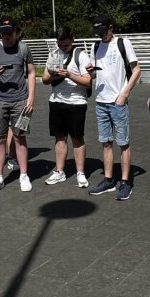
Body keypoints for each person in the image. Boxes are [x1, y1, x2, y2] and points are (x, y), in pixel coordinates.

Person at [86, 15, 141, 200]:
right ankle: (109, 180)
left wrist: (124, 94)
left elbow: (137, 69)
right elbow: (95, 75)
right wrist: (91, 72)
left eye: (104, 32)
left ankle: (125, 182)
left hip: (118, 101)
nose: (101, 36)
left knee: (123, 143)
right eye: (98, 33)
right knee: (106, 142)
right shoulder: (96, 46)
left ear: (111, 27)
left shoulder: (123, 43)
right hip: (100, 101)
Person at [0, 18, 35, 194]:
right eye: (3, 33)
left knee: (20, 137)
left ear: (15, 32)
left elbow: (32, 72)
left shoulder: (23, 48)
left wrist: (31, 98)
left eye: (9, 33)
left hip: (20, 99)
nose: (6, 36)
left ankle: (24, 174)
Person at [42, 26, 92, 188]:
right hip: (56, 101)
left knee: (77, 137)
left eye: (65, 45)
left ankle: (80, 172)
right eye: (60, 44)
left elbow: (87, 81)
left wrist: (69, 74)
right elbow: (44, 79)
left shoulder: (81, 55)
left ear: (72, 40)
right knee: (60, 137)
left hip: (76, 102)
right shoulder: (54, 54)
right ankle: (60, 171)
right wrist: (53, 75)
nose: (62, 48)